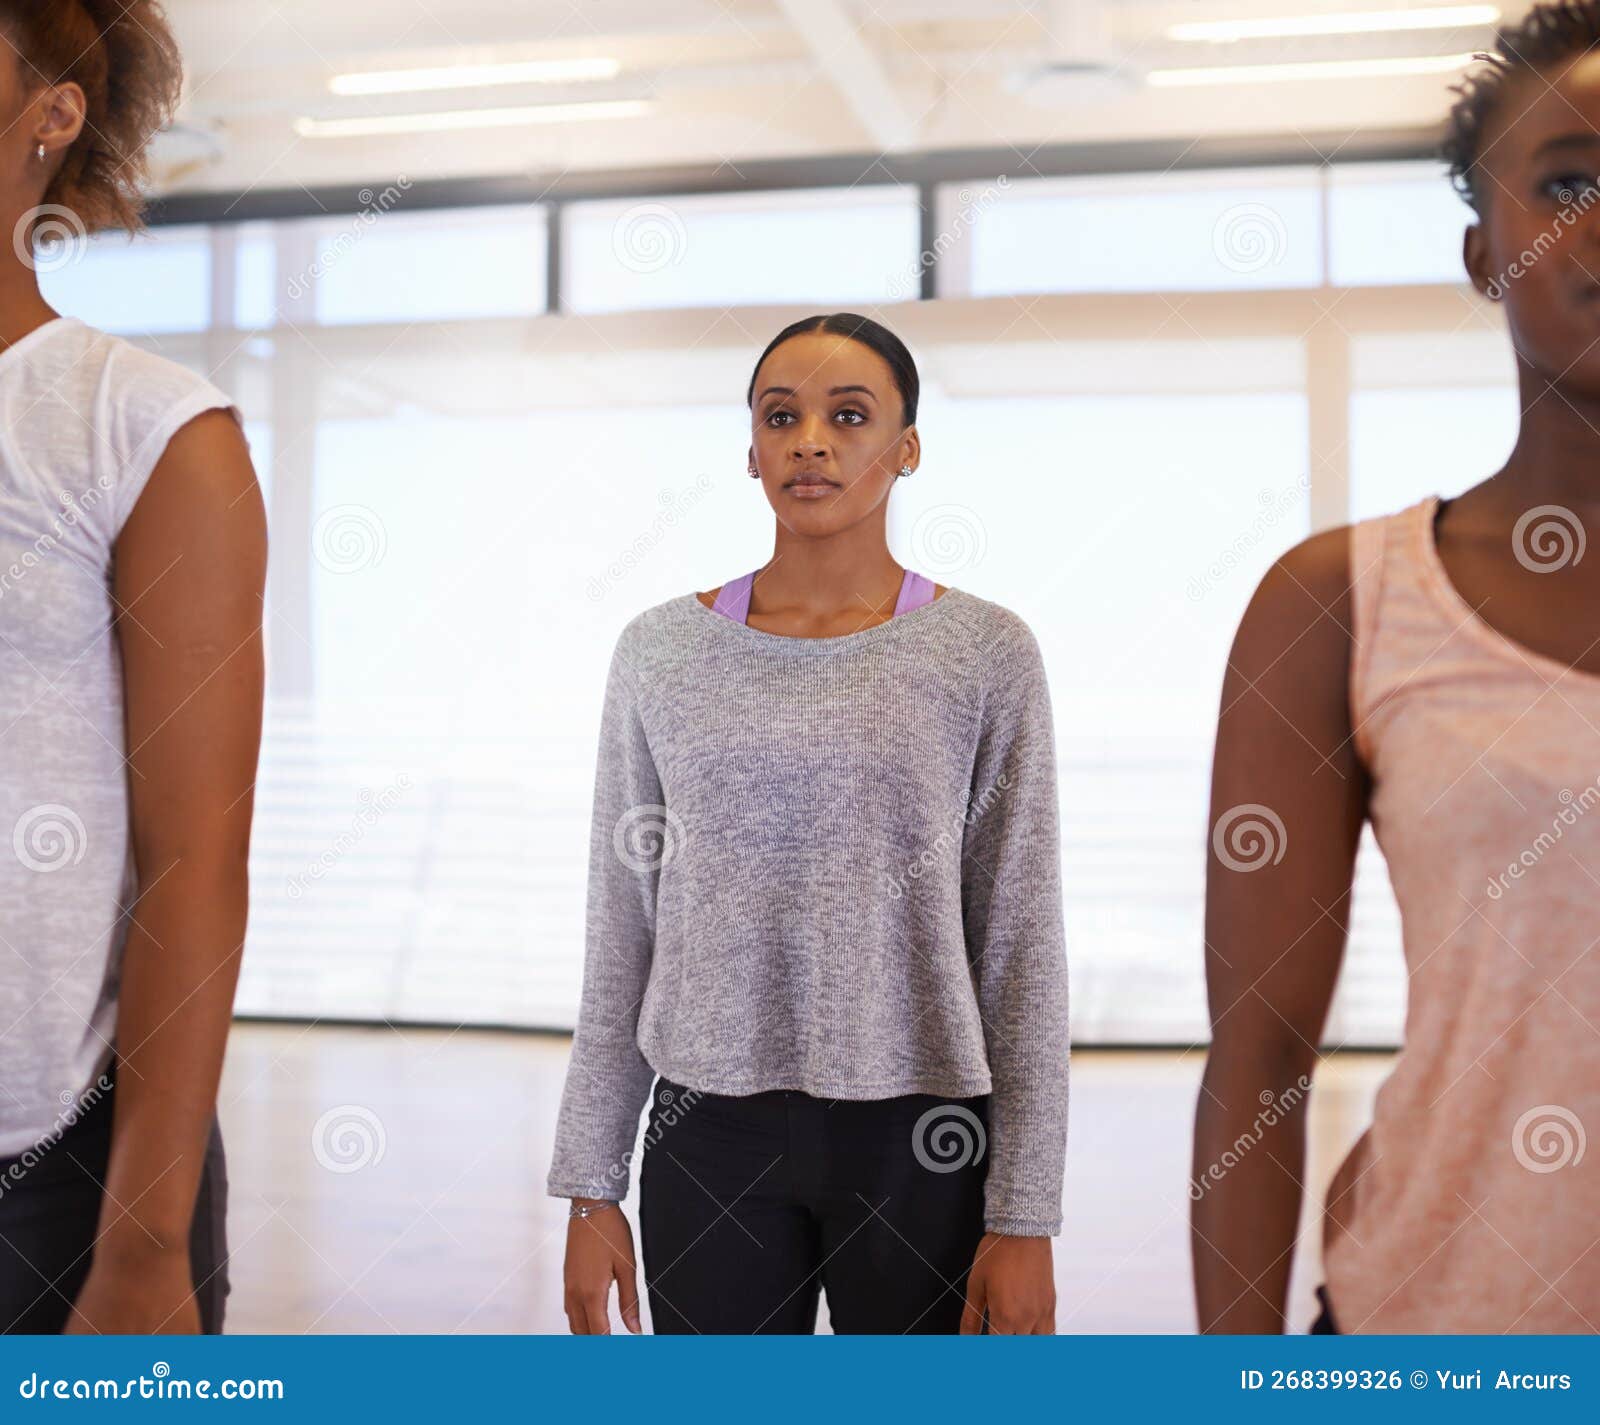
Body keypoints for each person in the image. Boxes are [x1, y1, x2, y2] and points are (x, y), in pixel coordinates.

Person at [1194, 0, 1600, 1334]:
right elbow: (1259, 1062)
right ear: (1488, 253)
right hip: (1431, 1339)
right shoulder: (1343, 604)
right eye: (1569, 181)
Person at [548, 312, 1070, 1334]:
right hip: (708, 1136)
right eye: (781, 416)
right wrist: (589, 1180)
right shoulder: (659, 653)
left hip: (926, 1141)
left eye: (849, 415)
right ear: (750, 450)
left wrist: (1026, 1214)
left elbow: (1021, 944)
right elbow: (623, 931)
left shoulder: (986, 654)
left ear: (905, 448)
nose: (811, 441)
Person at [0, 0, 266, 1334]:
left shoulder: (140, 428)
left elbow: (193, 859)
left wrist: (147, 1238)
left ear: (52, 116)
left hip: (52, 1182)